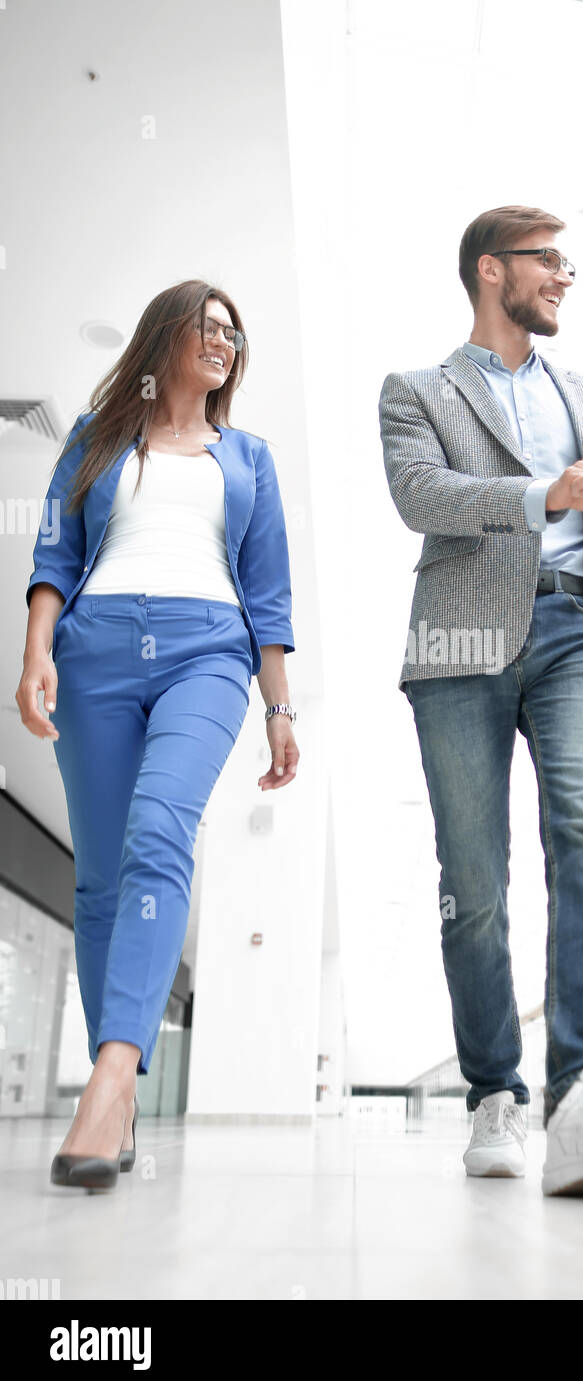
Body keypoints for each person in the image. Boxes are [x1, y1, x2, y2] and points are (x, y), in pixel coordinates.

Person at [379, 206, 583, 1197]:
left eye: (565, 259)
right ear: (489, 270)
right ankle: (492, 1094)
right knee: (473, 879)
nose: (563, 276)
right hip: (460, 638)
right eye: (546, 260)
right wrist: (542, 494)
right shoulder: (416, 389)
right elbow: (421, 495)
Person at [15, 280, 299, 1190]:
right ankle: (123, 1094)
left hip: (206, 655)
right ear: (165, 336)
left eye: (233, 333)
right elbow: (54, 555)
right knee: (99, 881)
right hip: (94, 650)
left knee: (158, 832)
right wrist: (36, 655)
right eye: (206, 327)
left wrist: (280, 706)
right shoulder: (96, 437)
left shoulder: (250, 455)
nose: (222, 342)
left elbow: (269, 592)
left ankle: (108, 1078)